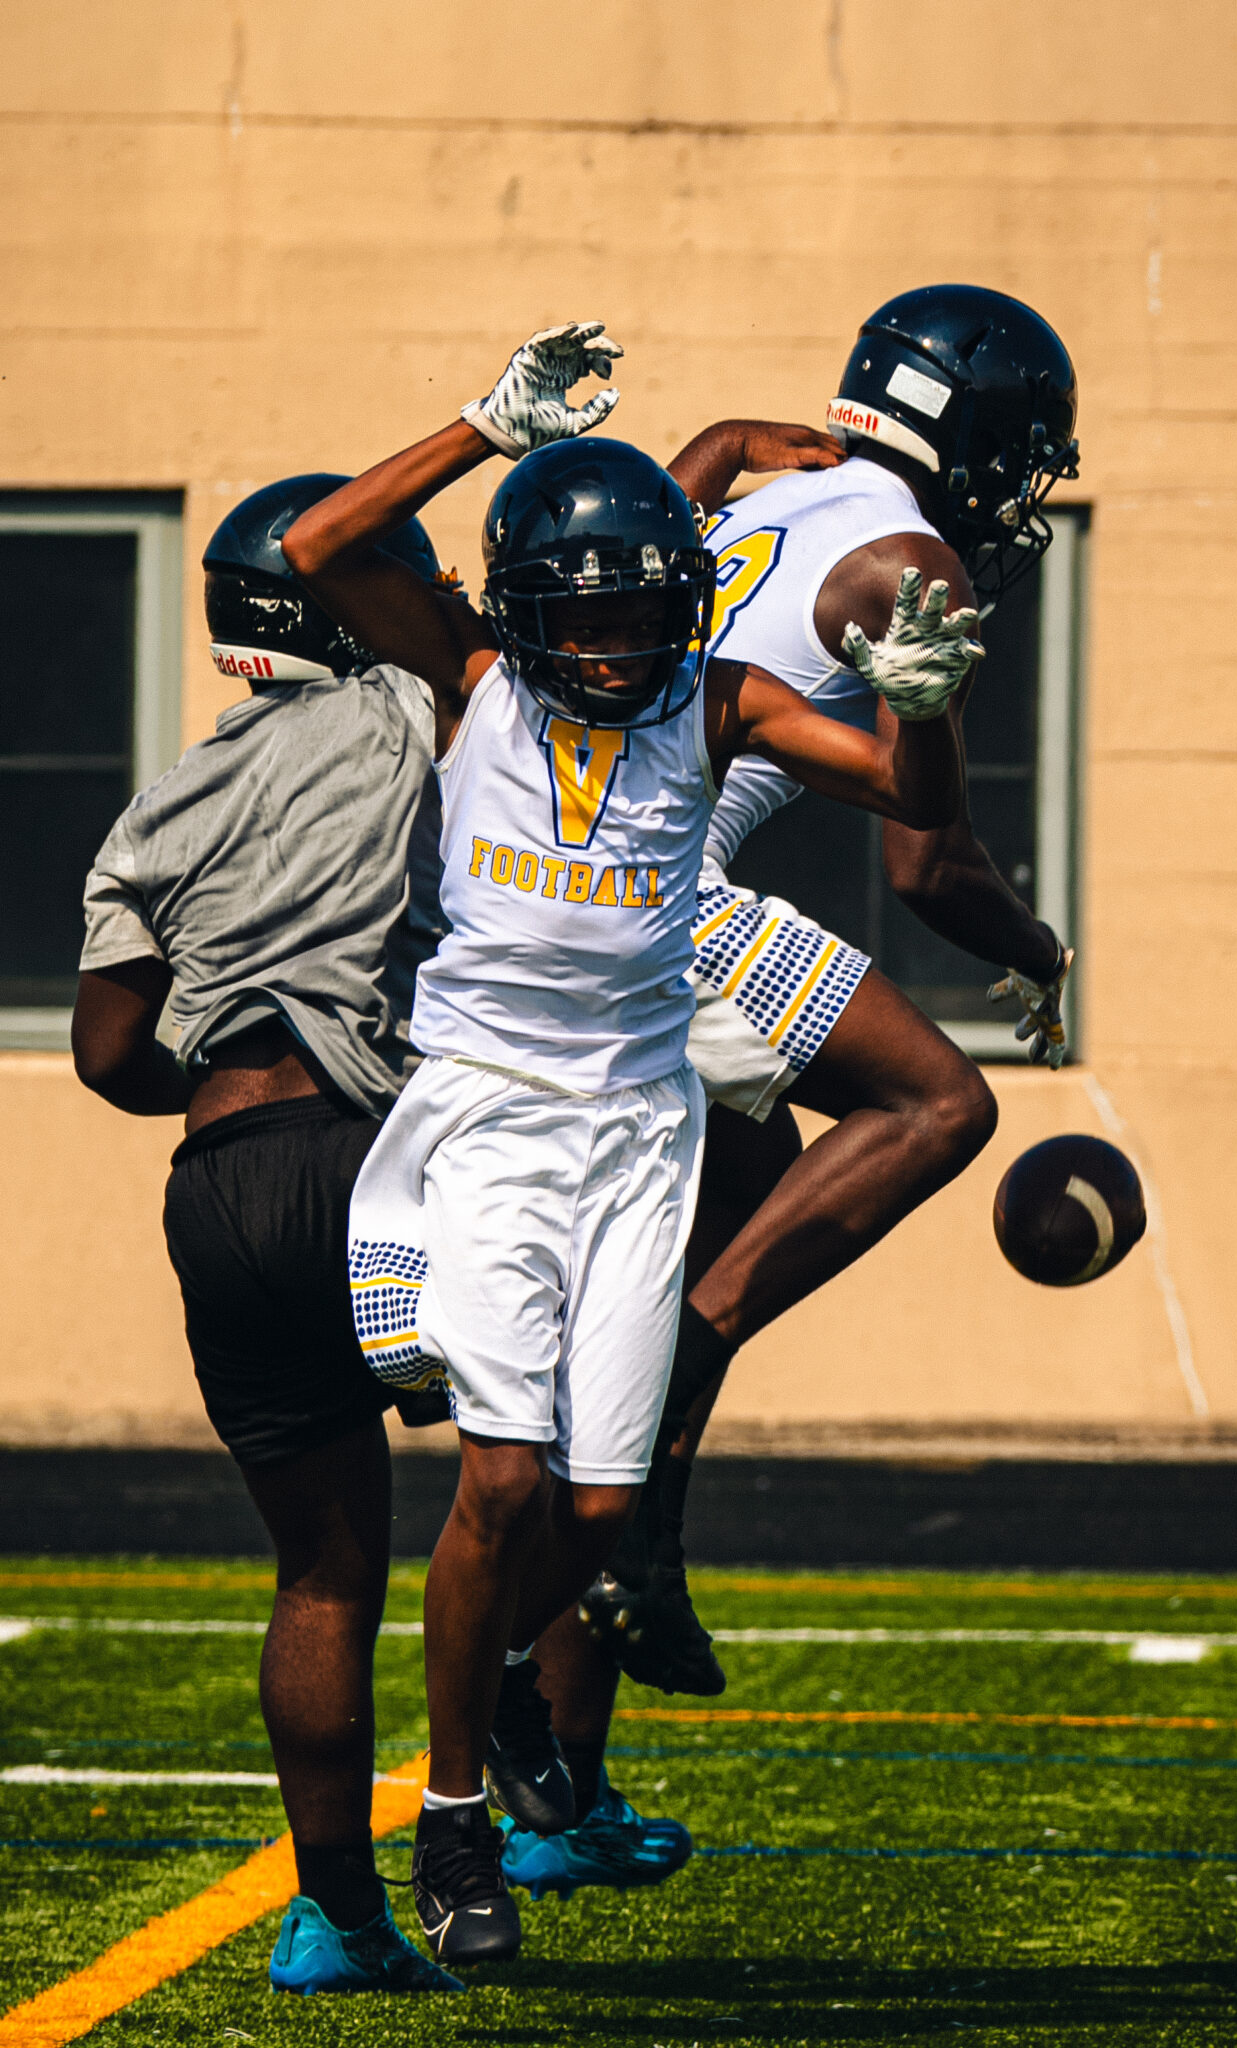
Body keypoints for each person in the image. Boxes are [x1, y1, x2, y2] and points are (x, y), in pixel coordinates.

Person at [279, 319, 990, 1967]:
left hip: (638, 1135)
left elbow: (902, 788)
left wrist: (928, 702)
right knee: (504, 1484)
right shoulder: (475, 678)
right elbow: (324, 544)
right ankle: (454, 1822)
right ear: (525, 609)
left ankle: (512, 1729)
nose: (605, 640)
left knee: (599, 1522)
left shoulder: (720, 694)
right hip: (489, 1124)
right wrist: (480, 422)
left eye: (633, 607)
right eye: (577, 609)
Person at [508, 283, 1081, 1900]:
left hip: (540, 905)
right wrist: (1036, 951)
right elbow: (930, 852)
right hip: (660, 911)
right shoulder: (913, 559)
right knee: (936, 1109)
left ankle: (564, 1793)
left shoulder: (767, 486)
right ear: (975, 437)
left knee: (611, 1356)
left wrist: (748, 439)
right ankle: (688, 1364)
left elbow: (689, 458)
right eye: (1021, 454)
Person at [71, 470, 473, 1999]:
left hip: (225, 1176)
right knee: (539, 1470)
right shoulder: (399, 719)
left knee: (319, 1576)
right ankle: (534, 1789)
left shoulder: (158, 800)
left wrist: (236, 1063)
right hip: (388, 1165)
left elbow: (112, 1059)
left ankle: (333, 1919)